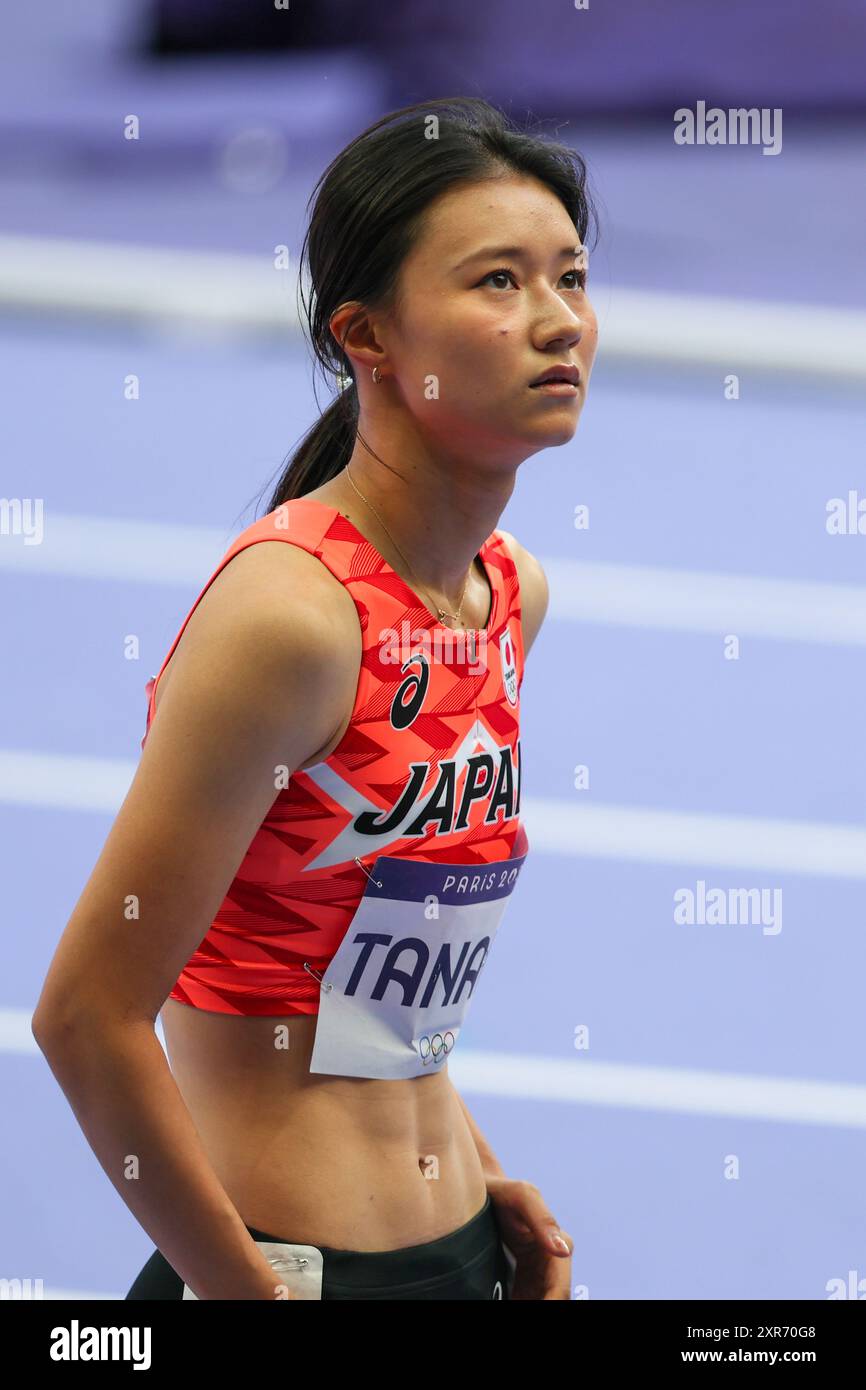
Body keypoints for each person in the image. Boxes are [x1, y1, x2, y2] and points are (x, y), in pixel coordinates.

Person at [32, 95, 599, 1300]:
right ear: (369, 337)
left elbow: (378, 987)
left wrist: (475, 1170)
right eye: (497, 283)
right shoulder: (290, 621)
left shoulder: (508, 598)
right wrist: (240, 1290)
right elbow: (86, 1017)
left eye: (570, 275)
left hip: (457, 1254)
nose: (557, 322)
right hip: (297, 1271)